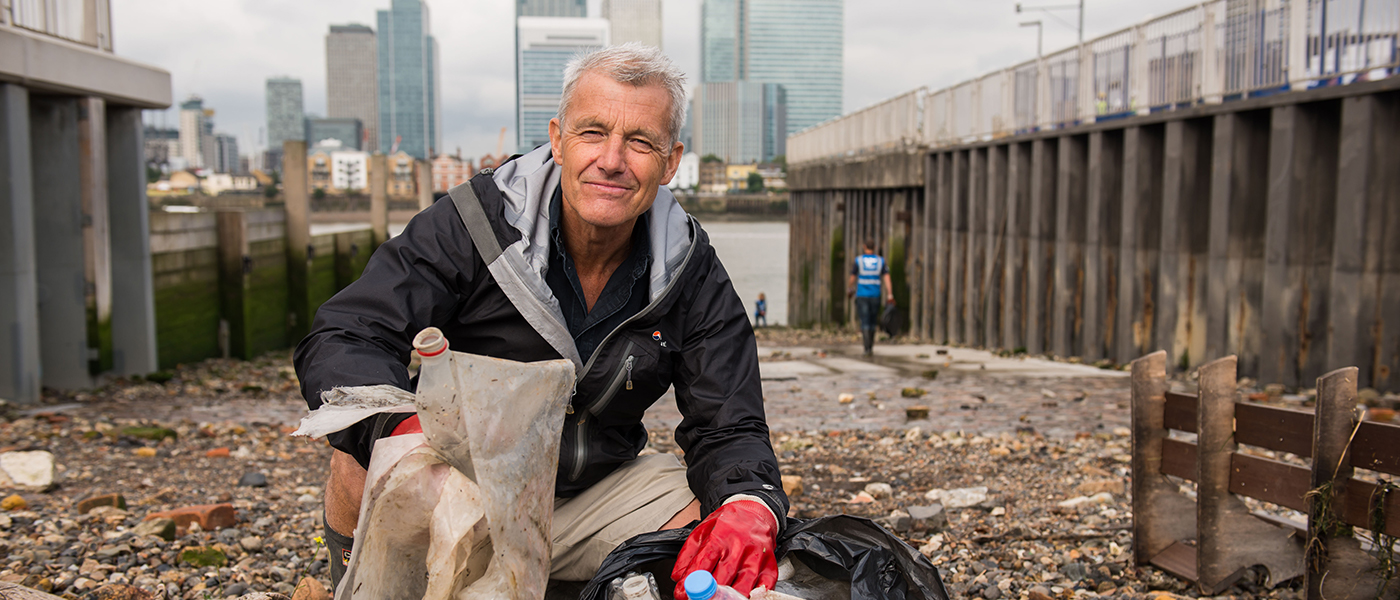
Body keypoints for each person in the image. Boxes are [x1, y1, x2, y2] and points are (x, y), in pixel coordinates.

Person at [294, 43, 786, 599]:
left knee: (723, 533)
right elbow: (347, 331)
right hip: (461, 480)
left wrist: (749, 504)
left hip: (597, 490)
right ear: (557, 139)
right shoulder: (474, 225)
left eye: (640, 142)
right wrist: (398, 433)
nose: (612, 159)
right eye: (593, 132)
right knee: (357, 457)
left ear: (671, 162)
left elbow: (730, 423)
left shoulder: (690, 269)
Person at [848, 240, 893, 356]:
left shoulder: (859, 260)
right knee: (873, 321)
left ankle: (866, 347)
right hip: (875, 295)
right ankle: (870, 347)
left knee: (865, 320)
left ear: (864, 247)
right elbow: (887, 278)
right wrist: (890, 294)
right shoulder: (880, 261)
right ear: (875, 247)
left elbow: (853, 277)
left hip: (862, 295)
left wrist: (850, 289)